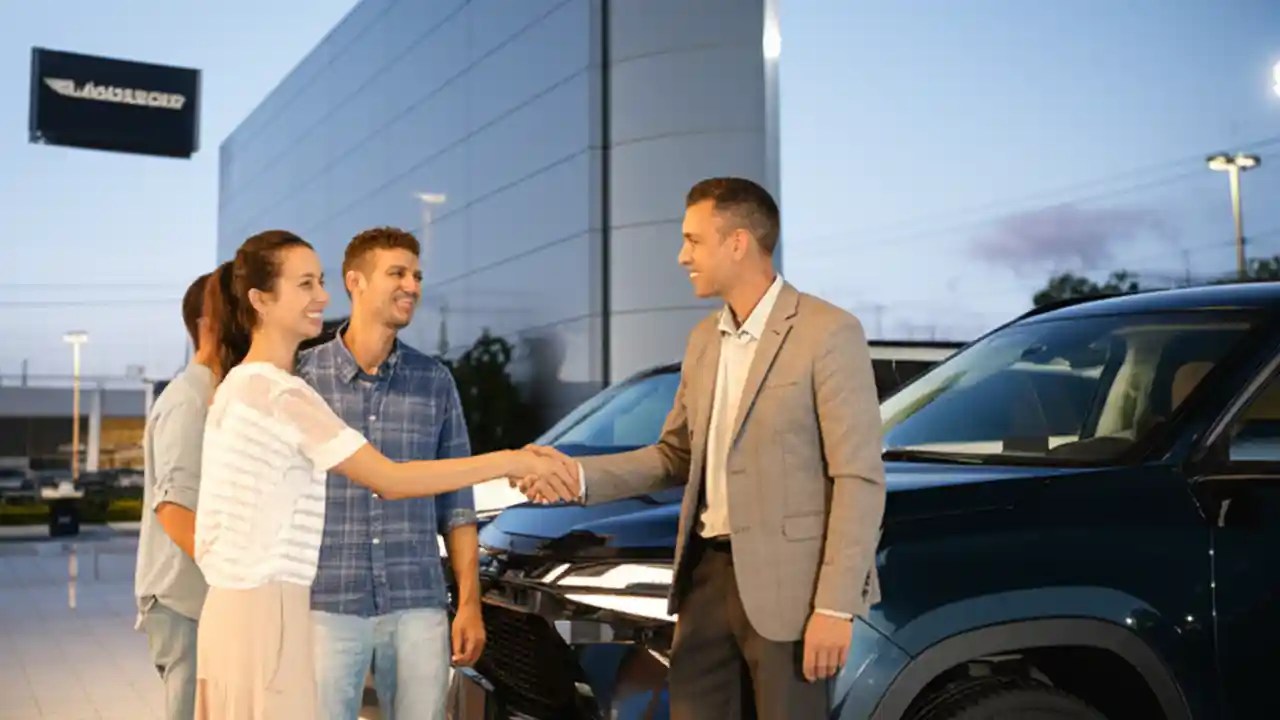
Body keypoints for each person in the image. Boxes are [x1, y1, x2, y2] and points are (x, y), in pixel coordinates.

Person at [519, 177, 886, 719]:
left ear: (737, 242)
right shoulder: (702, 341)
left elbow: (858, 477)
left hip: (794, 592)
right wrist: (577, 476)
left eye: (693, 240)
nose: (681, 255)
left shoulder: (828, 332)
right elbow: (674, 456)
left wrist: (835, 605)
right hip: (706, 579)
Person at [191, 229, 575, 719]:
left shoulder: (246, 388)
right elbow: (390, 478)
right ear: (261, 301)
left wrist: (468, 601)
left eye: (319, 282)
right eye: (306, 284)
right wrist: (512, 460)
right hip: (290, 611)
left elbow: (449, 498)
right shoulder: (285, 390)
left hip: (293, 606)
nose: (320, 297)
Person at [298, 227, 484, 720]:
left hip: (417, 600)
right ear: (355, 282)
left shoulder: (435, 381)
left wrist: (469, 604)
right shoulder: (301, 379)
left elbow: (458, 504)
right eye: (397, 273)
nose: (413, 286)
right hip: (325, 602)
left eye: (417, 275)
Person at [134, 265, 235, 720]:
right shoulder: (189, 399)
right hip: (185, 599)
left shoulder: (216, 393)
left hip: (201, 597)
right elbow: (174, 509)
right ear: (209, 323)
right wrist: (234, 579)